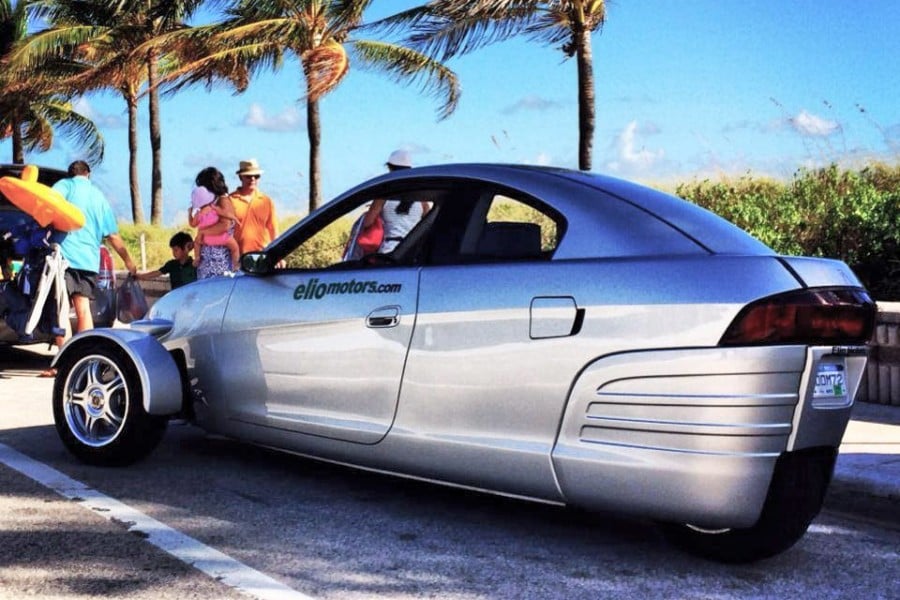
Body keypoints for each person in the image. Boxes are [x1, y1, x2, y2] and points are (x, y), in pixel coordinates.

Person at [42, 160, 137, 376]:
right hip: (88, 260)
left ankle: (61, 363)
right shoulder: (99, 196)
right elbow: (113, 235)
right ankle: (82, 360)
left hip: (64, 257)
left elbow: (47, 204)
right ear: (89, 174)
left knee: (61, 309)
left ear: (70, 174)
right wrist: (129, 262)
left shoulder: (65, 186)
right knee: (83, 308)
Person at [361, 150, 430, 253]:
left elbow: (367, 223)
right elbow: (428, 223)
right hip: (411, 251)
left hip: (389, 250)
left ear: (391, 169)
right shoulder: (421, 199)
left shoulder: (384, 196)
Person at [192, 167, 238, 279]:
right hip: (209, 263)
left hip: (219, 263)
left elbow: (224, 225)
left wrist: (203, 232)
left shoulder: (223, 201)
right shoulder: (213, 201)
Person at [230, 159, 278, 253]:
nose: (253, 179)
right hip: (236, 258)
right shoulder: (229, 201)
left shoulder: (266, 201)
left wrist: (279, 256)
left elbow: (273, 231)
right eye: (248, 176)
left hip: (262, 256)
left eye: (256, 176)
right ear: (241, 177)